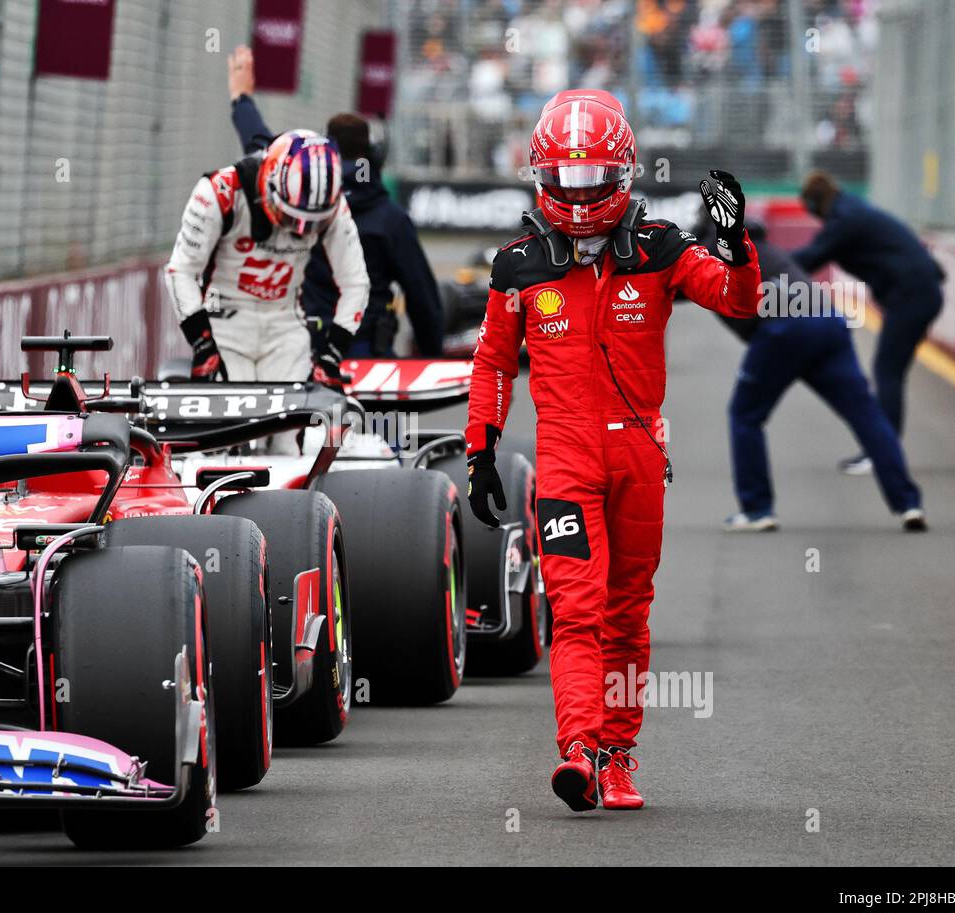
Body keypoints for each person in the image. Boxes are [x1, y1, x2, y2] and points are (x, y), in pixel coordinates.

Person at [465, 90, 763, 813]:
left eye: (591, 177)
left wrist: (735, 245)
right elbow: (494, 364)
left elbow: (738, 300)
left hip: (638, 460)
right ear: (542, 177)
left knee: (628, 614)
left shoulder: (660, 246)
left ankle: (619, 757)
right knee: (575, 612)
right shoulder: (518, 266)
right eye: (564, 179)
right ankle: (578, 752)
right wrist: (481, 450)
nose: (577, 193)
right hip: (565, 461)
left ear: (621, 174)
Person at [695, 217, 927, 532]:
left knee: (745, 416)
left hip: (781, 328)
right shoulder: (763, 245)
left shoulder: (712, 249)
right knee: (865, 414)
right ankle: (908, 503)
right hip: (826, 320)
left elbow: (680, 283)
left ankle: (757, 509)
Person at [226, 44, 445, 358]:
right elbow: (422, 299)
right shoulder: (390, 219)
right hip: (365, 359)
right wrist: (430, 357)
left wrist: (241, 98)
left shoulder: (293, 190)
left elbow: (258, 141)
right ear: (375, 158)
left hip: (297, 353)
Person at [163, 126, 368, 392]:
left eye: (313, 225)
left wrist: (333, 353)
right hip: (224, 325)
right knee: (235, 428)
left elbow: (356, 283)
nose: (300, 230)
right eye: (291, 217)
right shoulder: (221, 191)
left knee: (300, 429)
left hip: (286, 327)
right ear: (270, 182)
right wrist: (202, 343)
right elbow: (181, 270)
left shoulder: (333, 205)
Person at [793, 171, 946, 473]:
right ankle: (884, 449)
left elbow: (808, 259)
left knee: (887, 370)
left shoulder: (844, 220)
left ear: (815, 202)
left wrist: (759, 264)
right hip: (917, 293)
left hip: (913, 296)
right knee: (890, 370)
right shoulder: (849, 209)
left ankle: (883, 453)